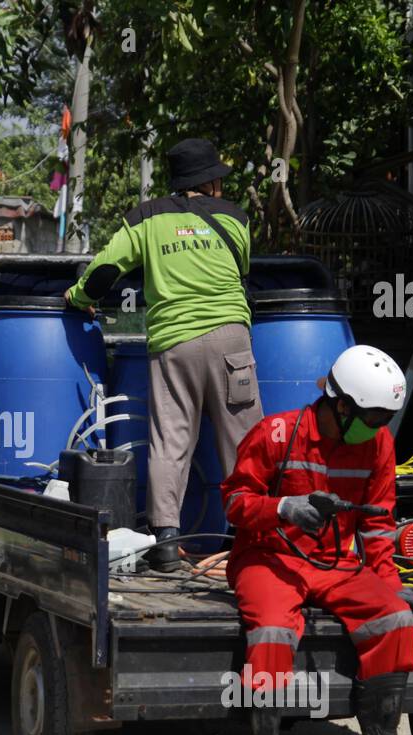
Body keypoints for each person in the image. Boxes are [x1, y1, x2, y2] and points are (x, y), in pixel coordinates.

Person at [221, 345, 413, 735]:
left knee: (395, 619)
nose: (380, 426)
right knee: (271, 631)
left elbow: (378, 522)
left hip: (333, 564)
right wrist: (282, 509)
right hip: (268, 557)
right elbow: (235, 502)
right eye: (373, 416)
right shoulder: (275, 434)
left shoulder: (378, 443)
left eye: (386, 417)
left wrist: (388, 582)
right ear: (341, 404)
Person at [64, 137, 261, 571]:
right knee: (244, 441)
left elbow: (105, 270)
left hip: (174, 345)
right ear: (209, 183)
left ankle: (167, 542)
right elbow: (242, 270)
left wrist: (79, 297)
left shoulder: (147, 217)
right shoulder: (237, 219)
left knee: (170, 440)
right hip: (231, 341)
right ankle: (251, 538)